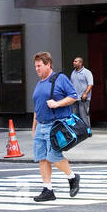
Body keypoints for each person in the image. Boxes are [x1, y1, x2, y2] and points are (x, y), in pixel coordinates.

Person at [29, 51, 80, 202]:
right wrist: (34, 127)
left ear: (48, 64)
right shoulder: (39, 84)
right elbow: (37, 107)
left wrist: (57, 103)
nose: (37, 69)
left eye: (39, 66)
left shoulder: (60, 79)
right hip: (41, 125)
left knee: (53, 156)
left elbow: (74, 96)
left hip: (55, 125)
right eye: (36, 66)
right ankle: (48, 190)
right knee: (42, 158)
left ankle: (72, 177)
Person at [69, 57, 94, 131]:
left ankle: (88, 131)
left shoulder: (87, 72)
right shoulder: (73, 73)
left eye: (75, 61)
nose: (74, 62)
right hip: (75, 98)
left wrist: (85, 94)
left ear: (80, 63)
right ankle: (78, 131)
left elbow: (90, 84)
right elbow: (71, 85)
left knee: (84, 115)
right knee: (75, 116)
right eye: (74, 61)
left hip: (84, 98)